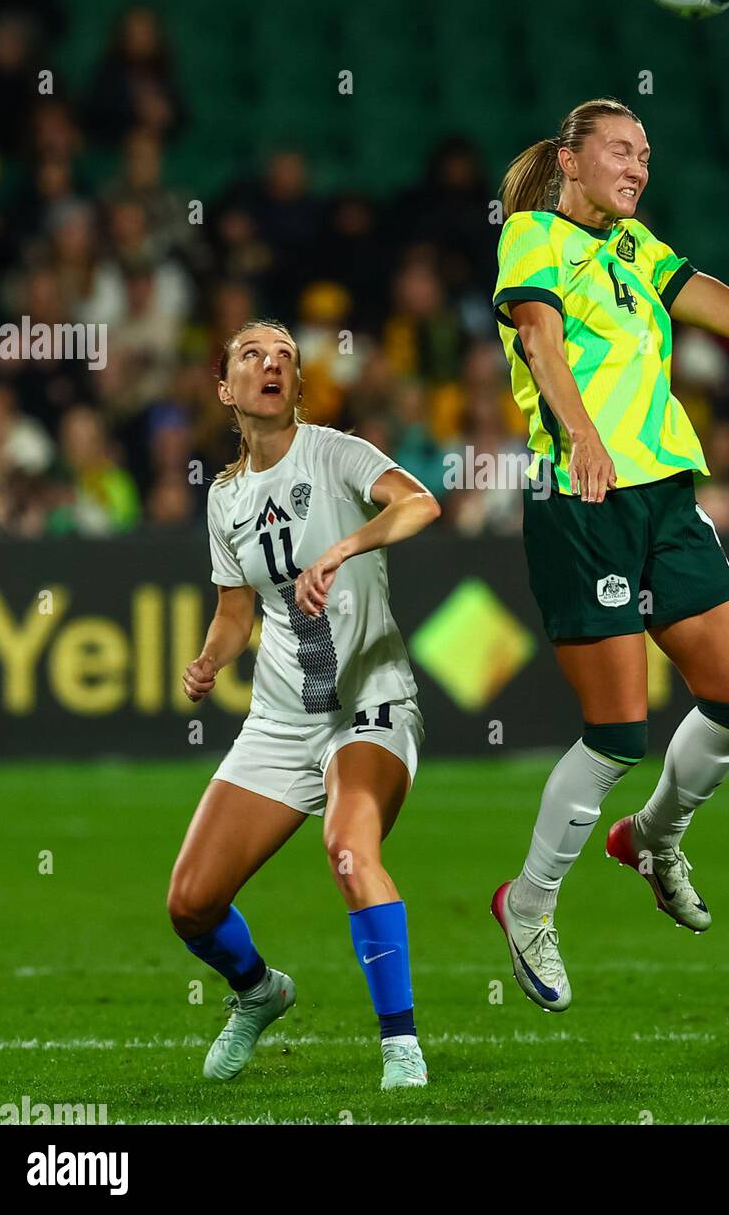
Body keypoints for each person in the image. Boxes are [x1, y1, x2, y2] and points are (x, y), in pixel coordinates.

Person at [489, 98, 729, 1010]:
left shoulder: (637, 249)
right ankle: (530, 902)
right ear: (569, 159)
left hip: (665, 497)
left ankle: (653, 839)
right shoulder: (531, 236)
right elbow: (541, 339)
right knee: (618, 733)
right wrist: (582, 436)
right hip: (583, 501)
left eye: (648, 154)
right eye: (620, 150)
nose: (638, 166)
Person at [168, 318, 440, 1087]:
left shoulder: (336, 452)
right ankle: (258, 994)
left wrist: (347, 547)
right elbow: (233, 612)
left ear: (295, 385)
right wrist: (208, 661)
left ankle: (400, 1046)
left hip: (370, 704)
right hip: (282, 719)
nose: (272, 363)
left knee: (350, 851)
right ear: (226, 389)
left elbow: (420, 505)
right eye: (253, 354)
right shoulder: (224, 499)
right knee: (191, 903)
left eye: (285, 355)